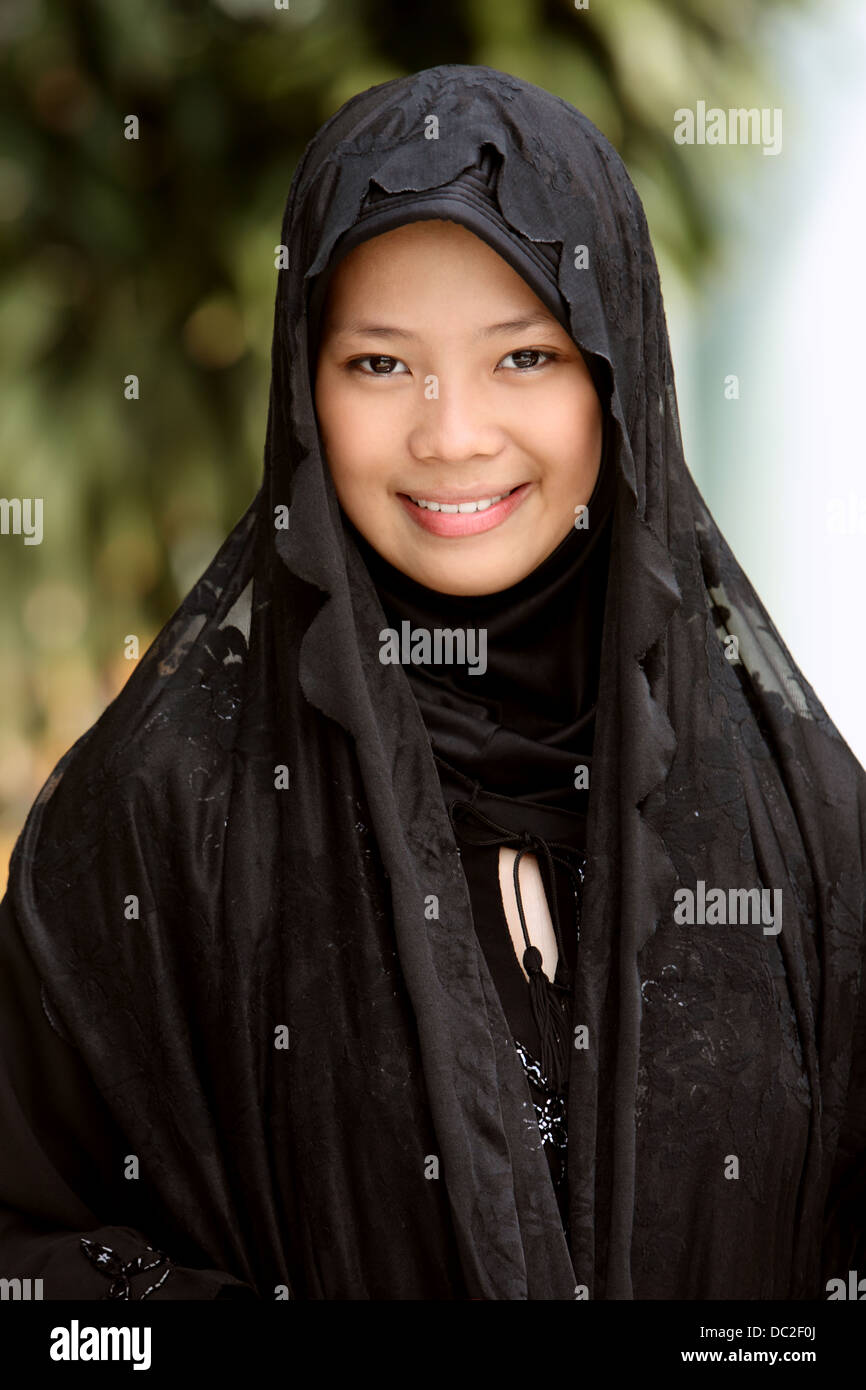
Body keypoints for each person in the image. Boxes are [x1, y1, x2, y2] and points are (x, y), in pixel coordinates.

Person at [0, 63, 863, 1301]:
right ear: (304, 387)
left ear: (615, 384)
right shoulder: (164, 814)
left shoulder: (794, 820)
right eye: (378, 365)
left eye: (522, 357)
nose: (450, 432)